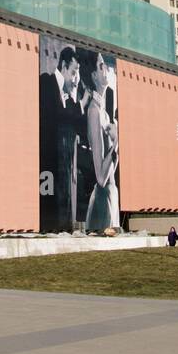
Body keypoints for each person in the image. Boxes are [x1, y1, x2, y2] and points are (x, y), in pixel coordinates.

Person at [39, 46, 87, 230]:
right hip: (47, 168)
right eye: (74, 72)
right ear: (64, 65)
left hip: (64, 174)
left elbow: (78, 127)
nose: (76, 78)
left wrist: (75, 98)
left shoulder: (68, 94)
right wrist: (79, 101)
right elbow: (58, 116)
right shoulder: (46, 81)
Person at [80, 50, 119, 233]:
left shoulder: (103, 113)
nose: (106, 70)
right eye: (101, 66)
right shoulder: (94, 112)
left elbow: (111, 168)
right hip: (103, 201)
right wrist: (117, 140)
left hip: (111, 195)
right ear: (94, 76)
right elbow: (101, 178)